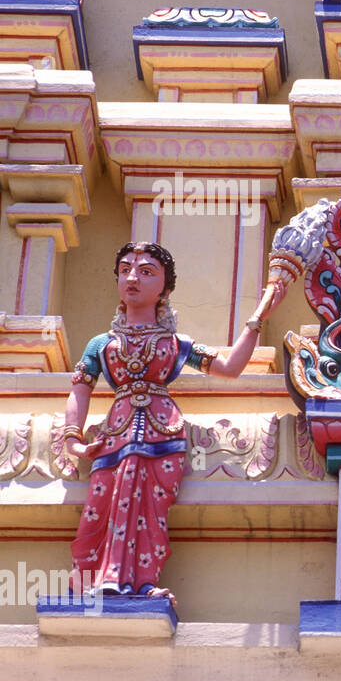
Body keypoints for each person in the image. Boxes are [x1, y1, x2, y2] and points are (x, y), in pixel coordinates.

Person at [61, 241, 284, 602]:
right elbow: (80, 389)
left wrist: (258, 319)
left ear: (165, 288)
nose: (132, 277)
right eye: (126, 270)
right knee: (101, 506)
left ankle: (144, 582)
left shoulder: (176, 343)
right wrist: (72, 439)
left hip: (163, 434)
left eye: (146, 271)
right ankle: (92, 580)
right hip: (114, 436)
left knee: (150, 508)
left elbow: (229, 368)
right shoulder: (101, 344)